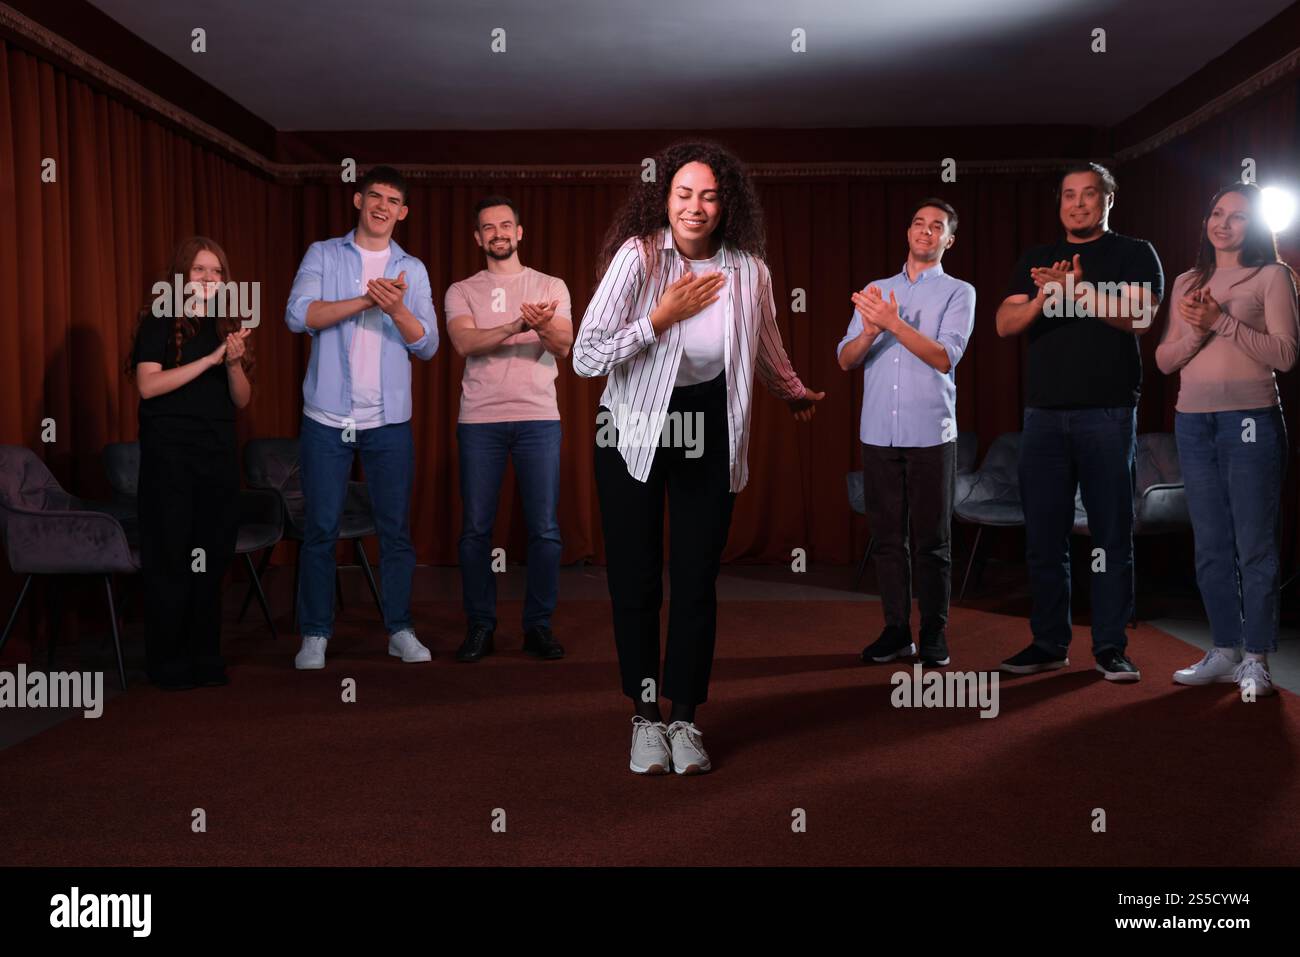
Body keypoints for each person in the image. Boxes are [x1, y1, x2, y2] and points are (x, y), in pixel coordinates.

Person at [573, 141, 824, 775]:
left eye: (708, 195)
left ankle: (684, 719)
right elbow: (586, 354)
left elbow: (765, 345)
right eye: (683, 194)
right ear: (664, 199)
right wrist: (659, 318)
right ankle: (643, 717)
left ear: (725, 204)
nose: (694, 206)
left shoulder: (751, 272)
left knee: (695, 579)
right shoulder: (639, 257)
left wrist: (793, 391)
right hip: (630, 426)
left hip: (708, 424)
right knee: (635, 580)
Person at [995, 162, 1163, 681]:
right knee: (1044, 536)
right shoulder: (1037, 259)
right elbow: (1005, 323)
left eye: (1089, 194)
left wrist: (1080, 292)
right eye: (1069, 195)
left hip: (1108, 413)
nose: (1078, 203)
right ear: (1060, 203)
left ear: (1108, 200)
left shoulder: (1134, 252)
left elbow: (1140, 318)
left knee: (1111, 534)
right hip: (1044, 416)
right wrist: (1048, 294)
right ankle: (1048, 642)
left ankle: (1111, 647)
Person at [284, 165, 439, 669]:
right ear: (358, 200)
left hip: (388, 421)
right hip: (327, 417)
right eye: (375, 196)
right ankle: (314, 634)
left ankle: (399, 628)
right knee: (321, 528)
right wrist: (364, 300)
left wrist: (395, 309)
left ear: (403, 212)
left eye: (393, 200)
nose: (382, 206)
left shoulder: (411, 269)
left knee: (394, 530)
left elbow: (429, 344)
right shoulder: (323, 254)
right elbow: (297, 315)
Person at [1156, 183, 1298, 697]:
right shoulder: (1187, 281)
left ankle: (1255, 658)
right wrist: (1198, 331)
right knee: (1211, 544)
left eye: (1238, 216)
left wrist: (1221, 321)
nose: (1224, 223)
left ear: (1254, 227)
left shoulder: (1272, 275)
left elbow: (1284, 354)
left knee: (1253, 545)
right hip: (1193, 422)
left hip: (1251, 420)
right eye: (1217, 213)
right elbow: (1166, 360)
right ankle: (1223, 649)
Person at [837, 198, 975, 668]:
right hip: (878, 433)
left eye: (937, 226)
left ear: (948, 240)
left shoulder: (959, 292)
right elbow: (845, 359)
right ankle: (897, 631)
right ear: (908, 232)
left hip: (931, 435)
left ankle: (934, 634)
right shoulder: (876, 289)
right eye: (919, 222)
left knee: (932, 541)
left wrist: (892, 322)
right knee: (888, 540)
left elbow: (944, 357)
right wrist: (872, 330)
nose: (925, 230)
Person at [445, 195, 572, 662]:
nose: (498, 233)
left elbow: (563, 346)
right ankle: (481, 625)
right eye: (488, 227)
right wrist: (521, 321)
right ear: (479, 238)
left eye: (505, 225)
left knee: (545, 530)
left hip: (539, 418)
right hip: (480, 420)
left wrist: (542, 328)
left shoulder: (551, 284)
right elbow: (465, 342)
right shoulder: (461, 290)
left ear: (519, 233)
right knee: (476, 530)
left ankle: (538, 626)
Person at [128, 237, 252, 689]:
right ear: (182, 275)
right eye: (200, 270)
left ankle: (205, 654)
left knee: (212, 557)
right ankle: (167, 660)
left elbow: (240, 399)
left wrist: (233, 363)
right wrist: (211, 360)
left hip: (216, 457)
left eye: (217, 272)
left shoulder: (225, 327)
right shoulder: (160, 319)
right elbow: (148, 386)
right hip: (169, 460)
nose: (209, 279)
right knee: (171, 557)